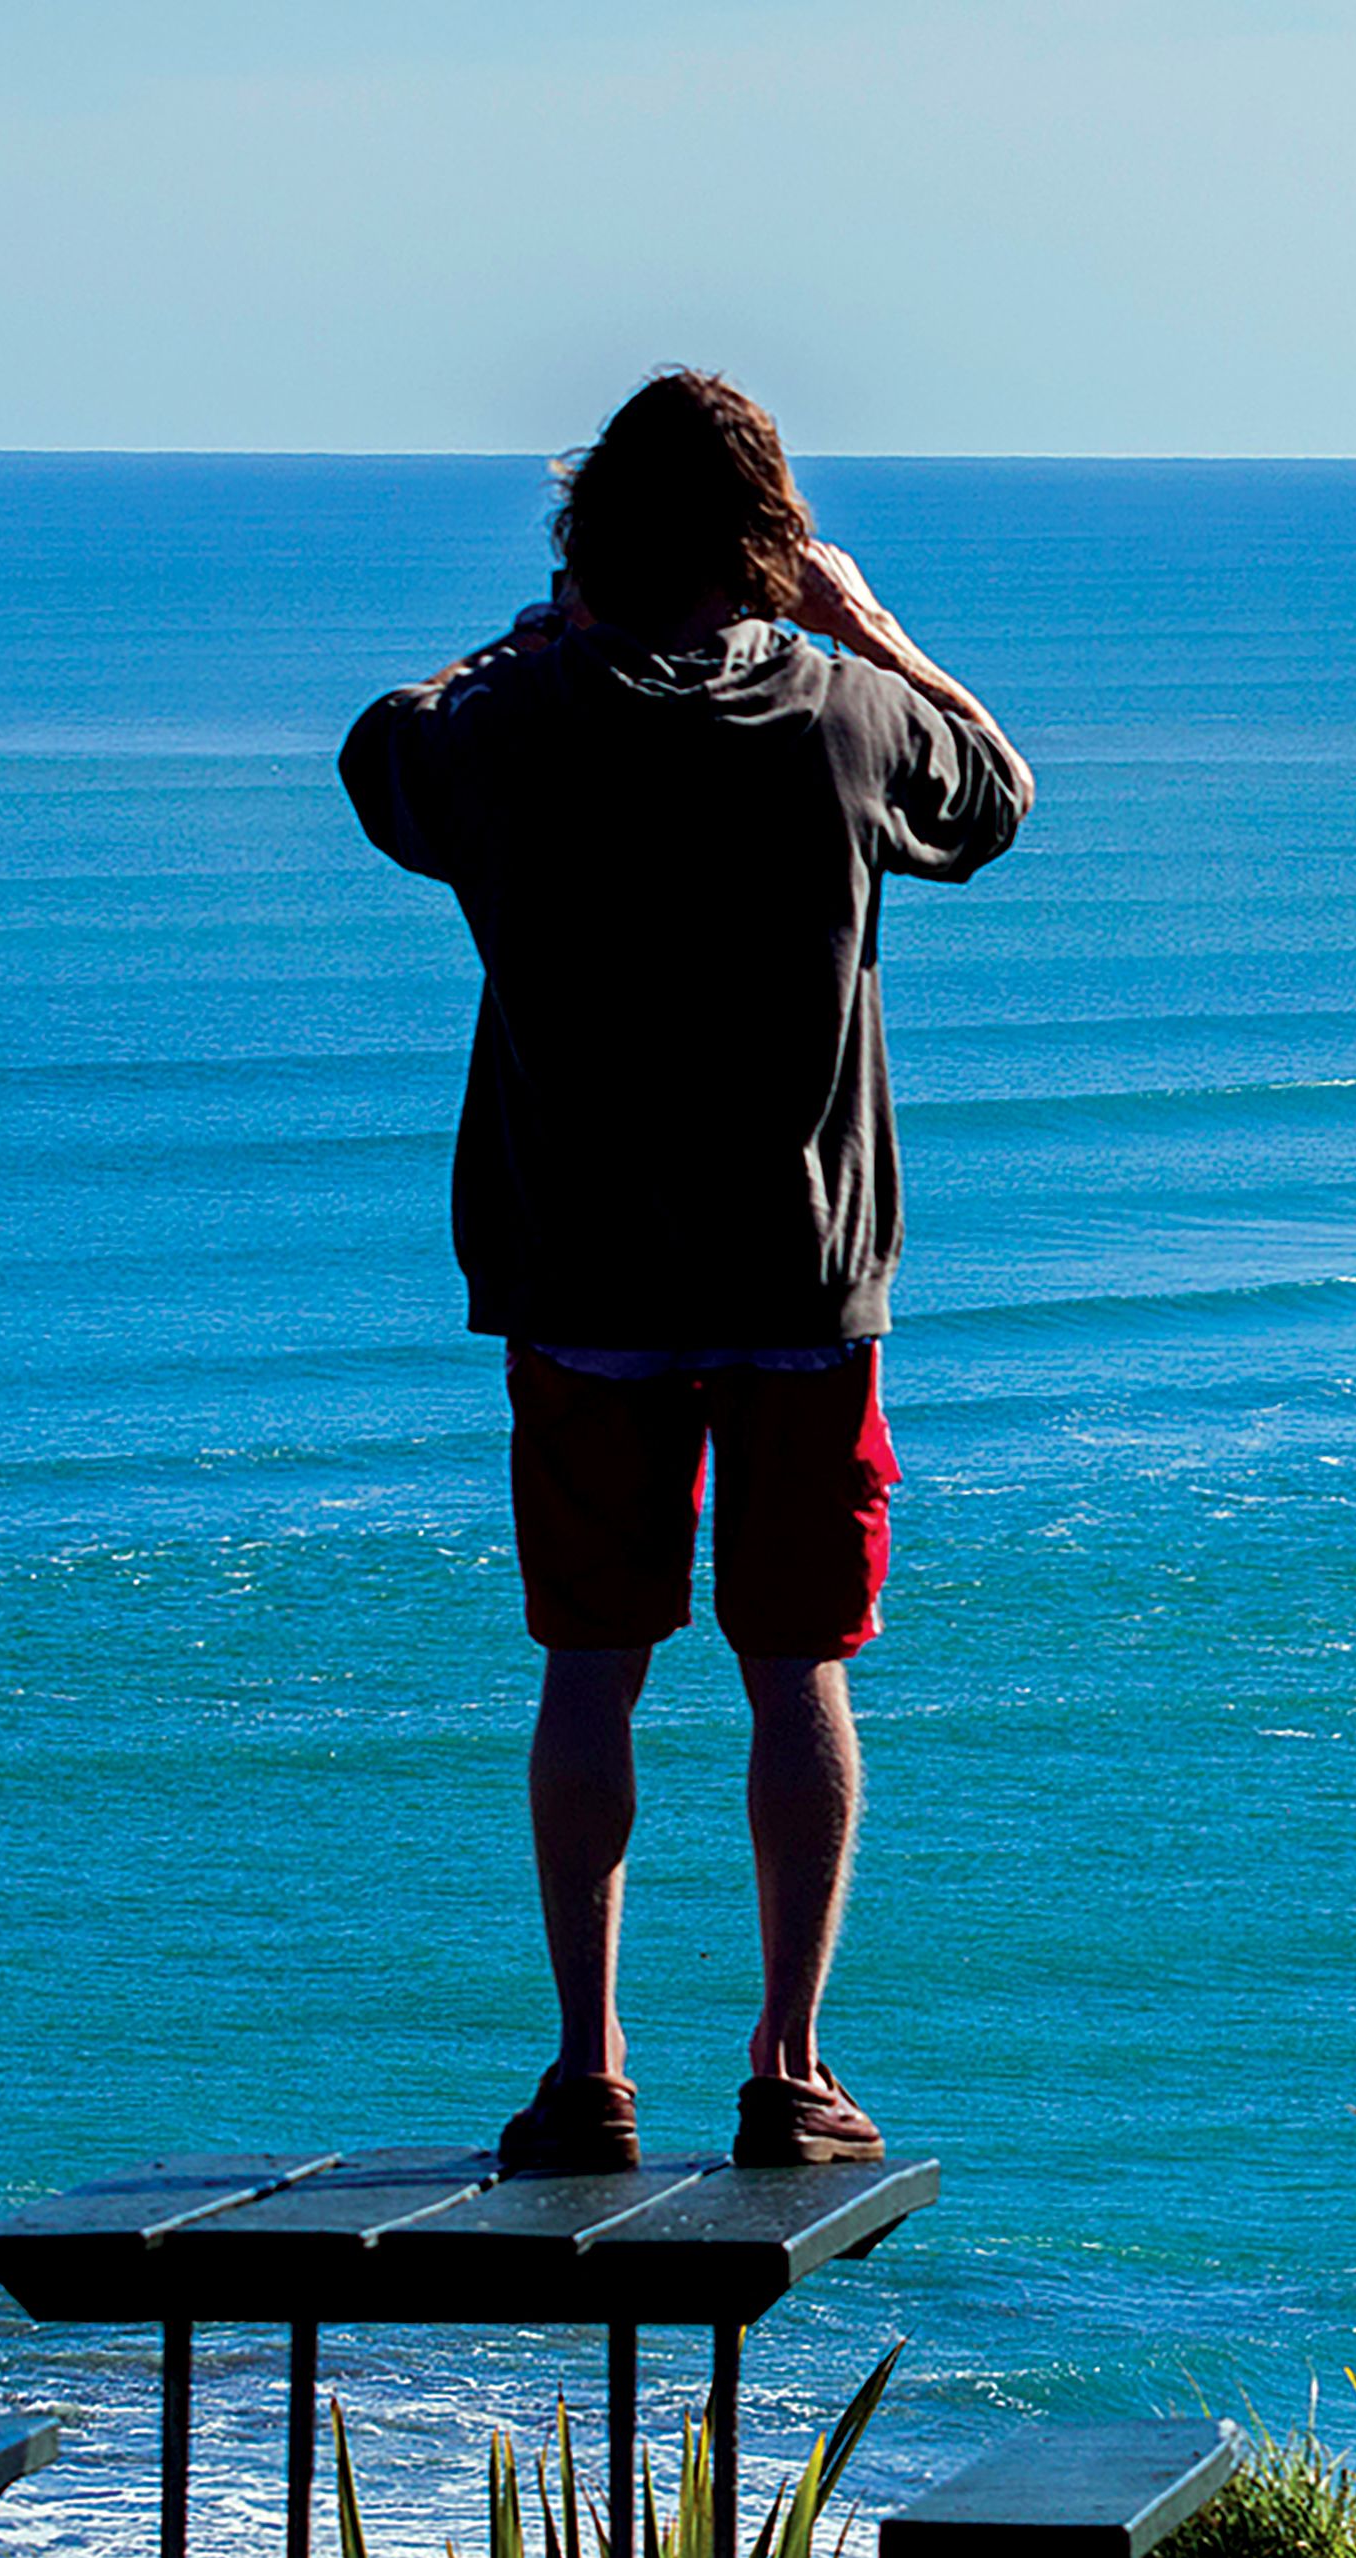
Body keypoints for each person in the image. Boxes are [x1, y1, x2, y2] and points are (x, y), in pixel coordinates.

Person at [342, 369, 1032, 2174]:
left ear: (585, 540)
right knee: (797, 1663)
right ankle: (791, 2070)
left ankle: (588, 2069)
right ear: (768, 546)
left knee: (590, 1662)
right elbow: (1003, 797)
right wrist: (867, 620)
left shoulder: (510, 731)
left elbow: (379, 761)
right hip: (802, 1277)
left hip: (580, 1269)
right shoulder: (847, 721)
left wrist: (512, 655)